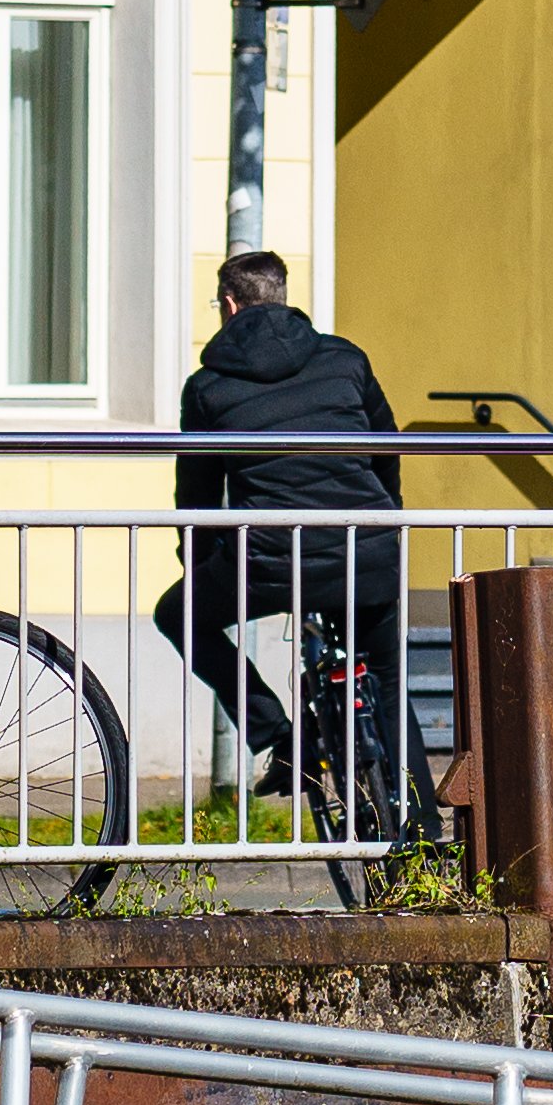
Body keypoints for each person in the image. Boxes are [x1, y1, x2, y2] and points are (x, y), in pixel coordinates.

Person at [160, 248, 410, 865]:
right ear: (282, 294)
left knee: (178, 614)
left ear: (228, 304)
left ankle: (280, 737)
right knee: (388, 670)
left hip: (271, 561)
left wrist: (202, 562)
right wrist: (388, 521)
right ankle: (417, 826)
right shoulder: (346, 359)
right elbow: (387, 449)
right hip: (365, 547)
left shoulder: (209, 387)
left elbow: (197, 493)